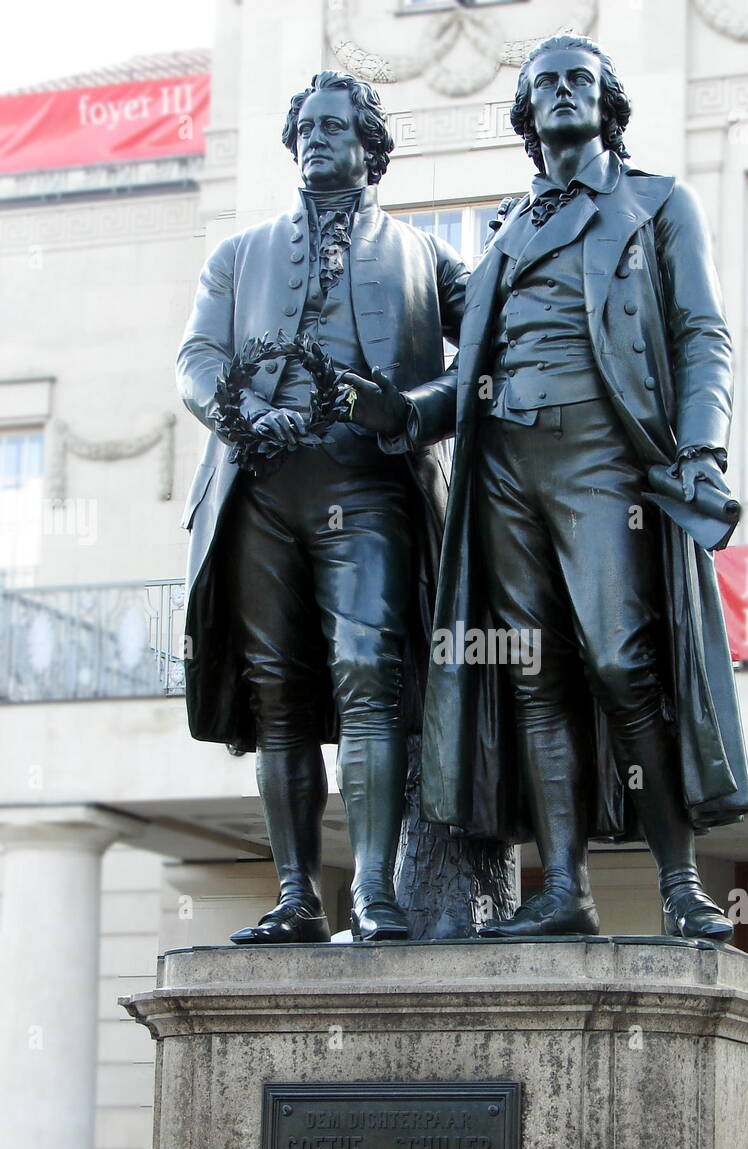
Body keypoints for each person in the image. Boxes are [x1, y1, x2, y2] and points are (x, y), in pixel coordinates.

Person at [421, 34, 748, 940]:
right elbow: (466, 376)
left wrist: (702, 448)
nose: (563, 92)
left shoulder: (655, 203)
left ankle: (680, 882)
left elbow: (701, 334)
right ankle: (562, 888)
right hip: (502, 468)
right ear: (526, 116)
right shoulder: (501, 228)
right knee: (535, 677)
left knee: (620, 660)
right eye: (544, 84)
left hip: (604, 459)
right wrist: (397, 414)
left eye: (581, 79)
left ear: (608, 105)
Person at [177, 71, 467, 944]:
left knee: (371, 677)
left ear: (370, 146)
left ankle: (373, 893)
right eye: (304, 127)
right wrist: (234, 411)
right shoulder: (238, 255)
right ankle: (297, 893)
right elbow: (195, 355)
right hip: (260, 493)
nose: (315, 139)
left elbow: (488, 360)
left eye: (335, 127)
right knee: (278, 695)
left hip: (368, 488)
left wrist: (409, 412)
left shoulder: (425, 256)